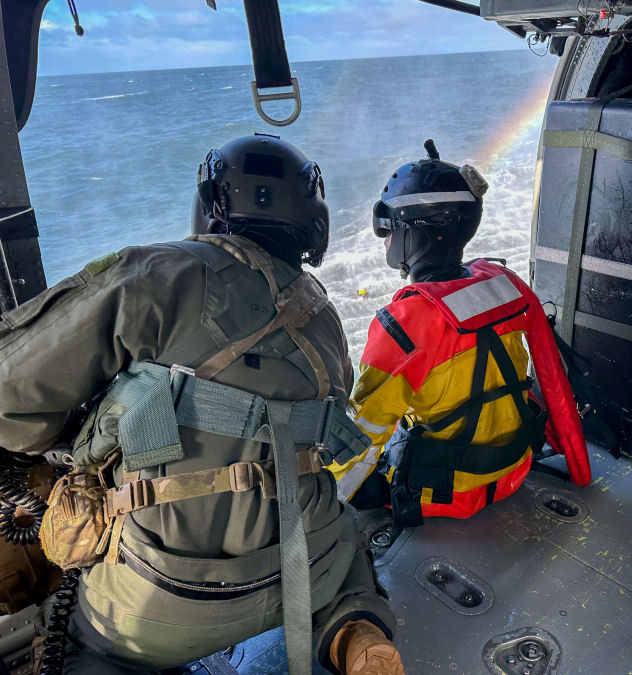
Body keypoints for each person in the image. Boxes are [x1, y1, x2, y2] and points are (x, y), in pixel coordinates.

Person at [0, 134, 402, 674]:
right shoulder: (326, 321)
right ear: (313, 223)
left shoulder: (154, 273)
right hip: (305, 569)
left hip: (163, 597)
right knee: (342, 532)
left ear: (211, 207)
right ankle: (353, 625)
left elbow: (12, 399)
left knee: (64, 640)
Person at [329, 140, 591, 529]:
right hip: (513, 472)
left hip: (446, 496)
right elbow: (554, 385)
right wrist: (578, 466)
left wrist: (338, 491)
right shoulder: (507, 285)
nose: (386, 240)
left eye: (390, 229)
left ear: (411, 234)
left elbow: (363, 434)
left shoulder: (405, 321)